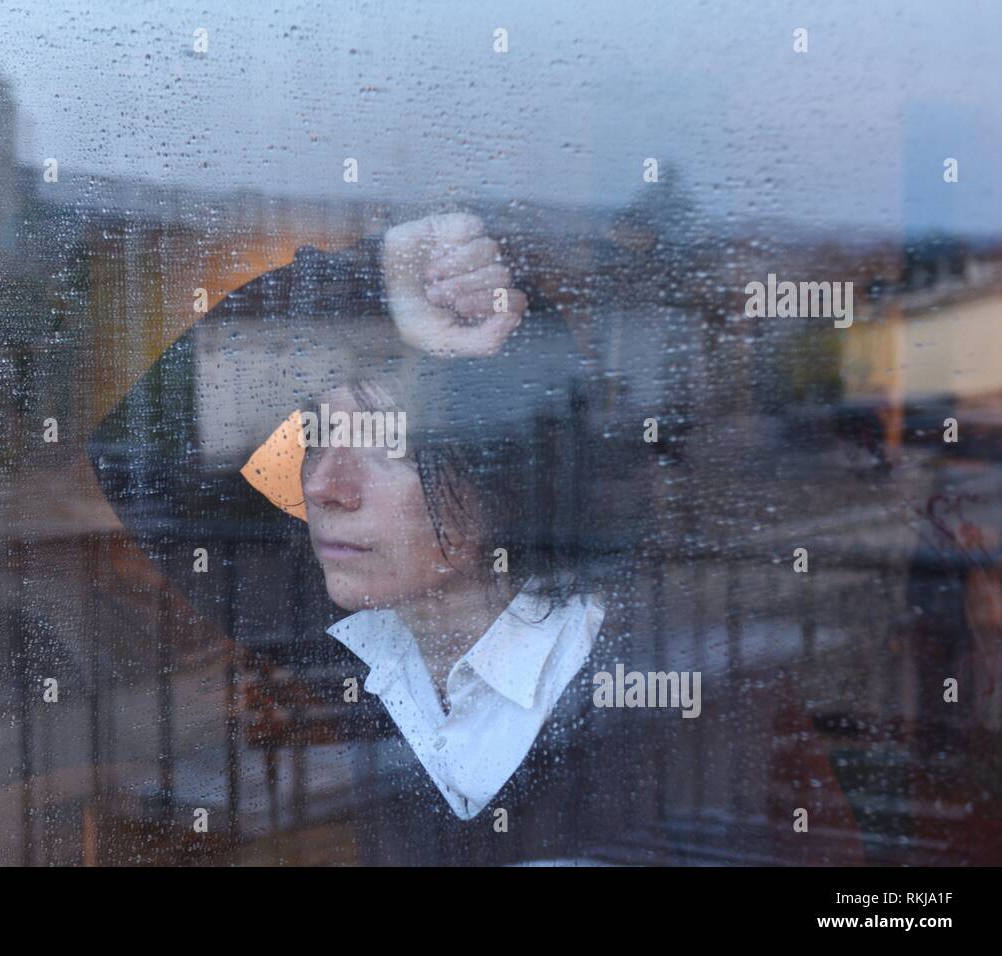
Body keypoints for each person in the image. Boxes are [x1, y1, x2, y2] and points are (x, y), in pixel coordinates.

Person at [88, 212, 866, 864]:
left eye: (388, 442)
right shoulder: (350, 646)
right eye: (318, 434)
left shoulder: (695, 691)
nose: (324, 484)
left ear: (505, 469)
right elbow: (135, 452)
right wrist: (368, 280)